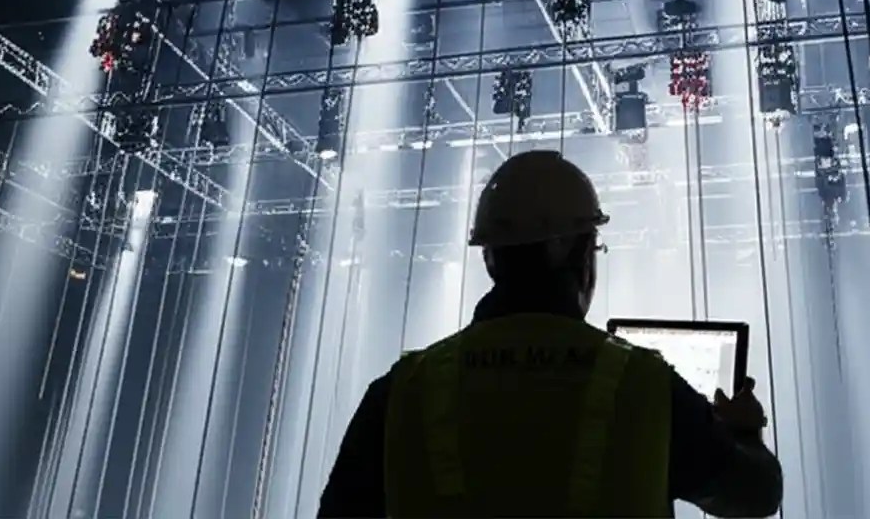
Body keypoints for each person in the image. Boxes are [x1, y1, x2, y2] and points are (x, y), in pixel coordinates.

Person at [319, 150, 783, 517]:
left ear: (489, 259)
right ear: (583, 257)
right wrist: (744, 433)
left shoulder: (402, 390)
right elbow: (755, 496)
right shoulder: (644, 385)